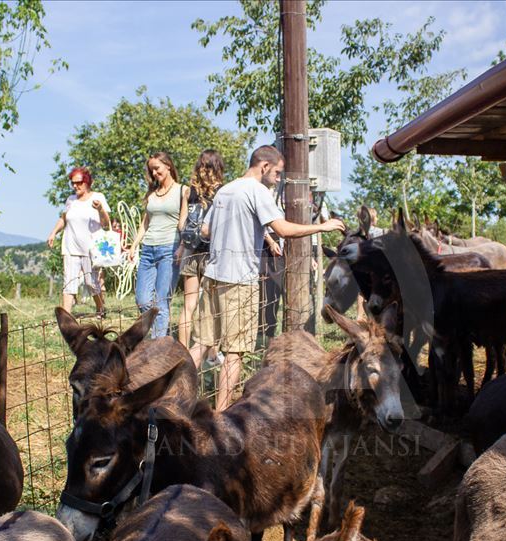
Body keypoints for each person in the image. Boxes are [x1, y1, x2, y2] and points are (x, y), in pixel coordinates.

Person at [193, 145, 346, 409]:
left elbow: (205, 230)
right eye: (276, 173)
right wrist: (322, 226)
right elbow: (283, 229)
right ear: (264, 167)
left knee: (200, 344)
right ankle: (220, 414)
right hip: (239, 280)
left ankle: (173, 399)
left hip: (212, 275)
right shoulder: (257, 191)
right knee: (234, 353)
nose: (277, 179)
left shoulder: (225, 190)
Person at [129, 152, 186, 338]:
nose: (154, 173)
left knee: (162, 301)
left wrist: (182, 246)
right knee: (142, 299)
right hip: (148, 250)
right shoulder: (152, 194)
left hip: (169, 249)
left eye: (157, 168)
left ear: (168, 166)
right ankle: (159, 332)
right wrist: (134, 245)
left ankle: (159, 346)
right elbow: (145, 223)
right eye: (151, 170)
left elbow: (185, 223)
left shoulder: (182, 191)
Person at [176, 149, 225, 353]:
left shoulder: (189, 191)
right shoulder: (223, 191)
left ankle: (182, 352)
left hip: (191, 253)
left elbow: (181, 224)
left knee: (188, 306)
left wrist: (182, 246)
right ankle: (212, 352)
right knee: (212, 306)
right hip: (212, 254)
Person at [47, 166, 111, 316]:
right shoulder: (71, 200)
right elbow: (63, 218)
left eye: (79, 182)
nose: (75, 186)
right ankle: (66, 316)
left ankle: (101, 310)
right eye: (72, 183)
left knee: (91, 282)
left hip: (91, 248)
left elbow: (106, 223)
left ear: (87, 182)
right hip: (70, 247)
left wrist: (100, 209)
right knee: (69, 283)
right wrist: (53, 233)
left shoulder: (98, 197)